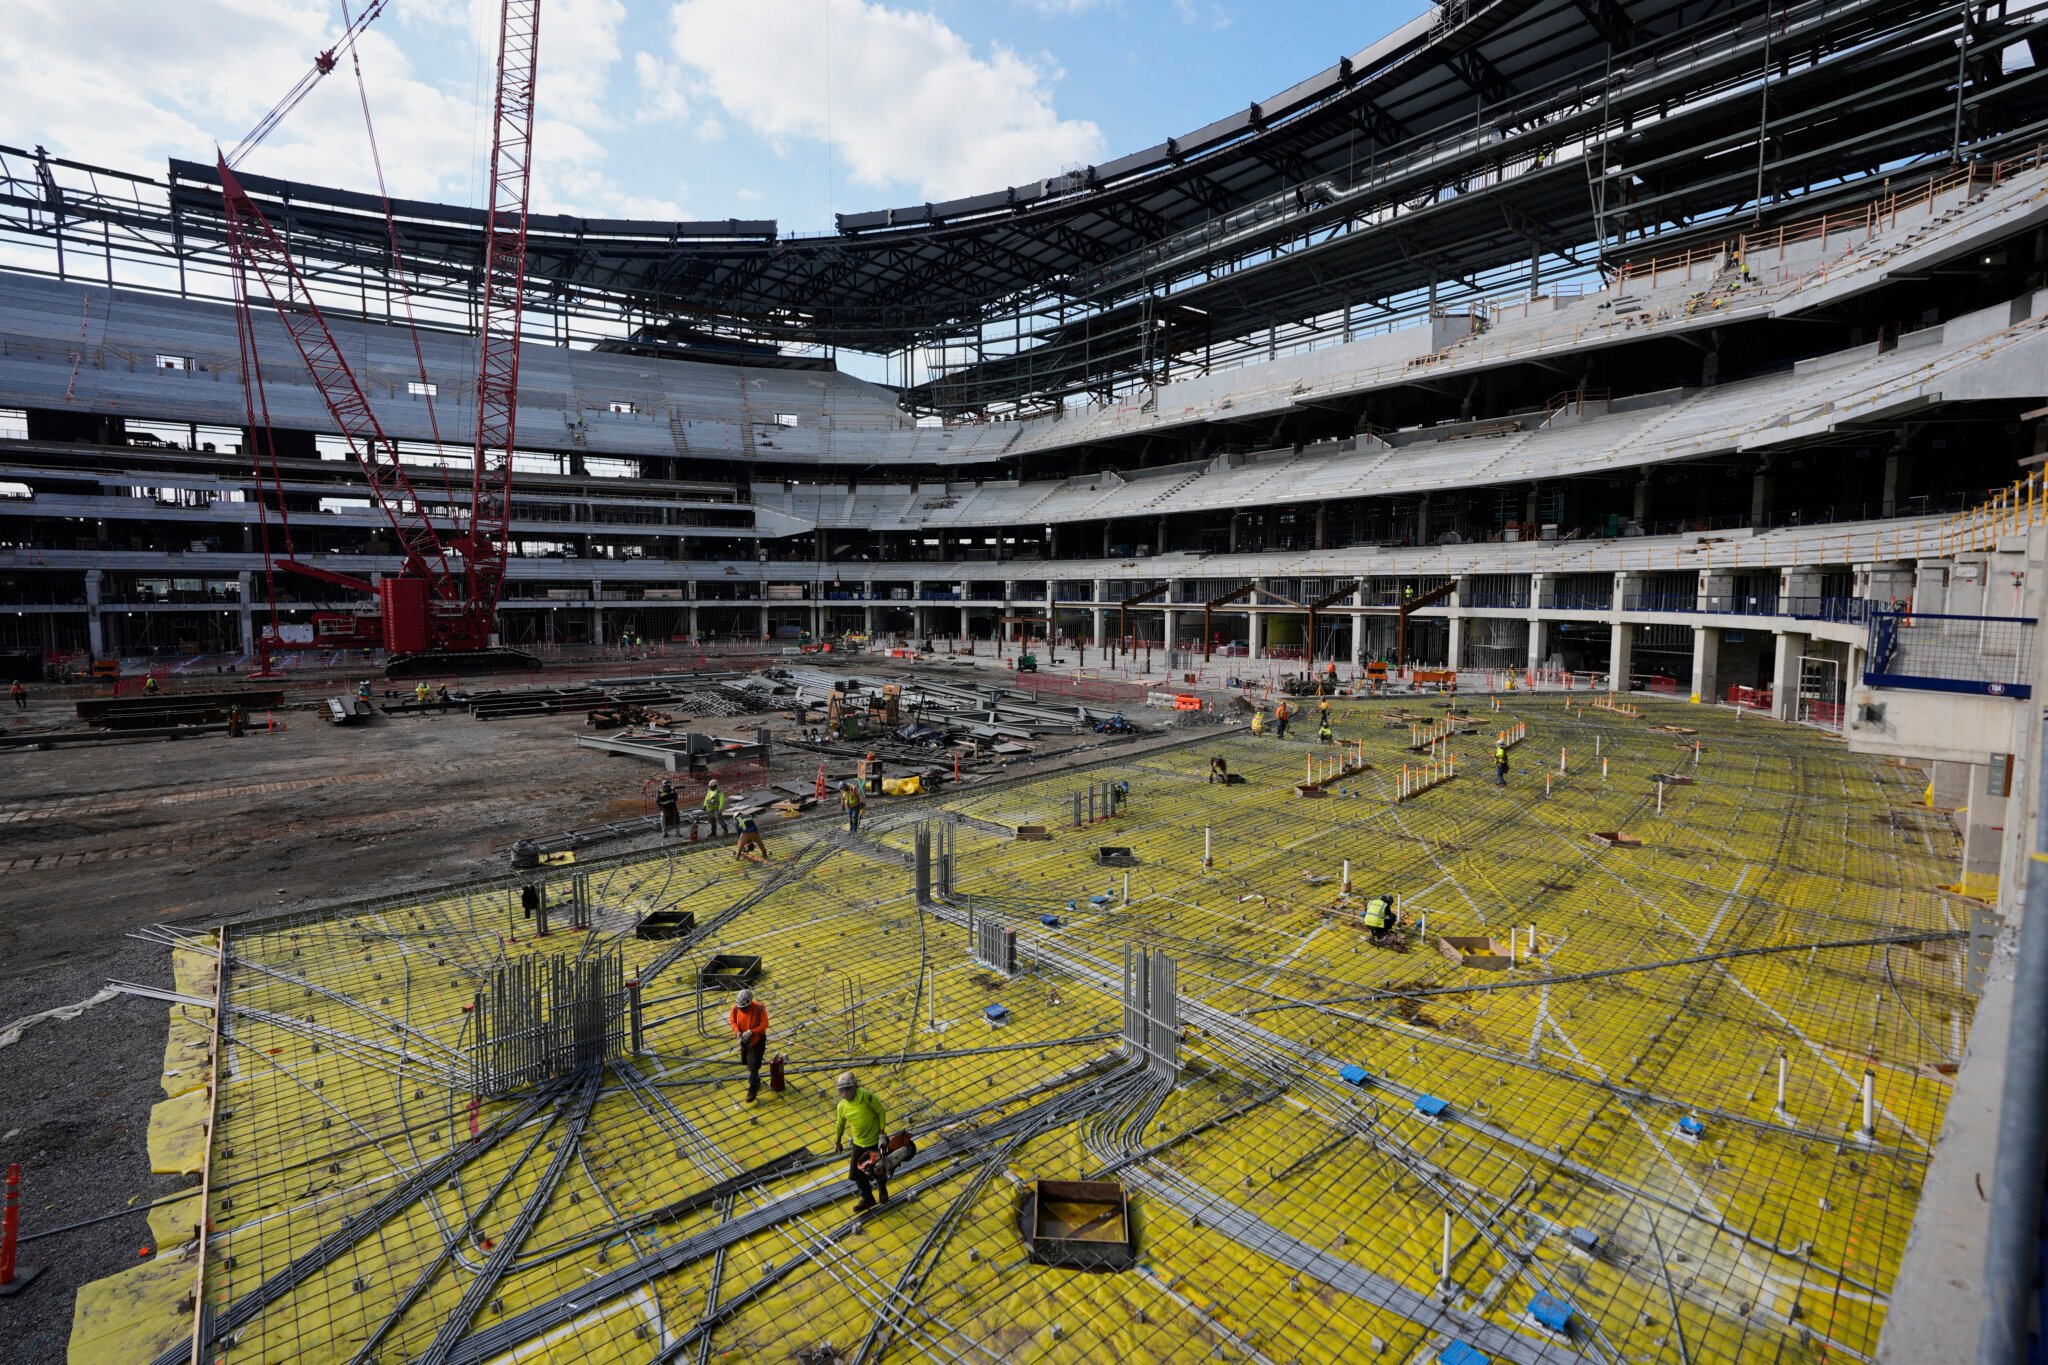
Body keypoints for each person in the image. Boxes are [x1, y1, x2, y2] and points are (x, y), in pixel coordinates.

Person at [833, 1072, 890, 1212]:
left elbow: (881, 1111)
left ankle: (882, 1188)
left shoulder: (866, 1097)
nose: (844, 1093)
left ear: (854, 1087)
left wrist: (882, 1134)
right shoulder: (842, 1106)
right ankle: (867, 1198)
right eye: (841, 1090)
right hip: (859, 1143)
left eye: (847, 1089)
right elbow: (840, 1124)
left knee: (878, 1169)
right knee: (857, 1173)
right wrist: (838, 1141)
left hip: (874, 1141)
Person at [729, 987, 769, 1102]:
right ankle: (756, 1080)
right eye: (742, 1008)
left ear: (750, 1004)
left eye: (745, 1008)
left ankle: (753, 1088)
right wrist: (738, 1032)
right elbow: (732, 1020)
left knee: (753, 1066)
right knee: (748, 1062)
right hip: (744, 1041)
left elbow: (764, 1024)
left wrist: (752, 1031)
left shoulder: (759, 1009)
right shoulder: (735, 1008)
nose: (743, 1010)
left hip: (756, 1041)